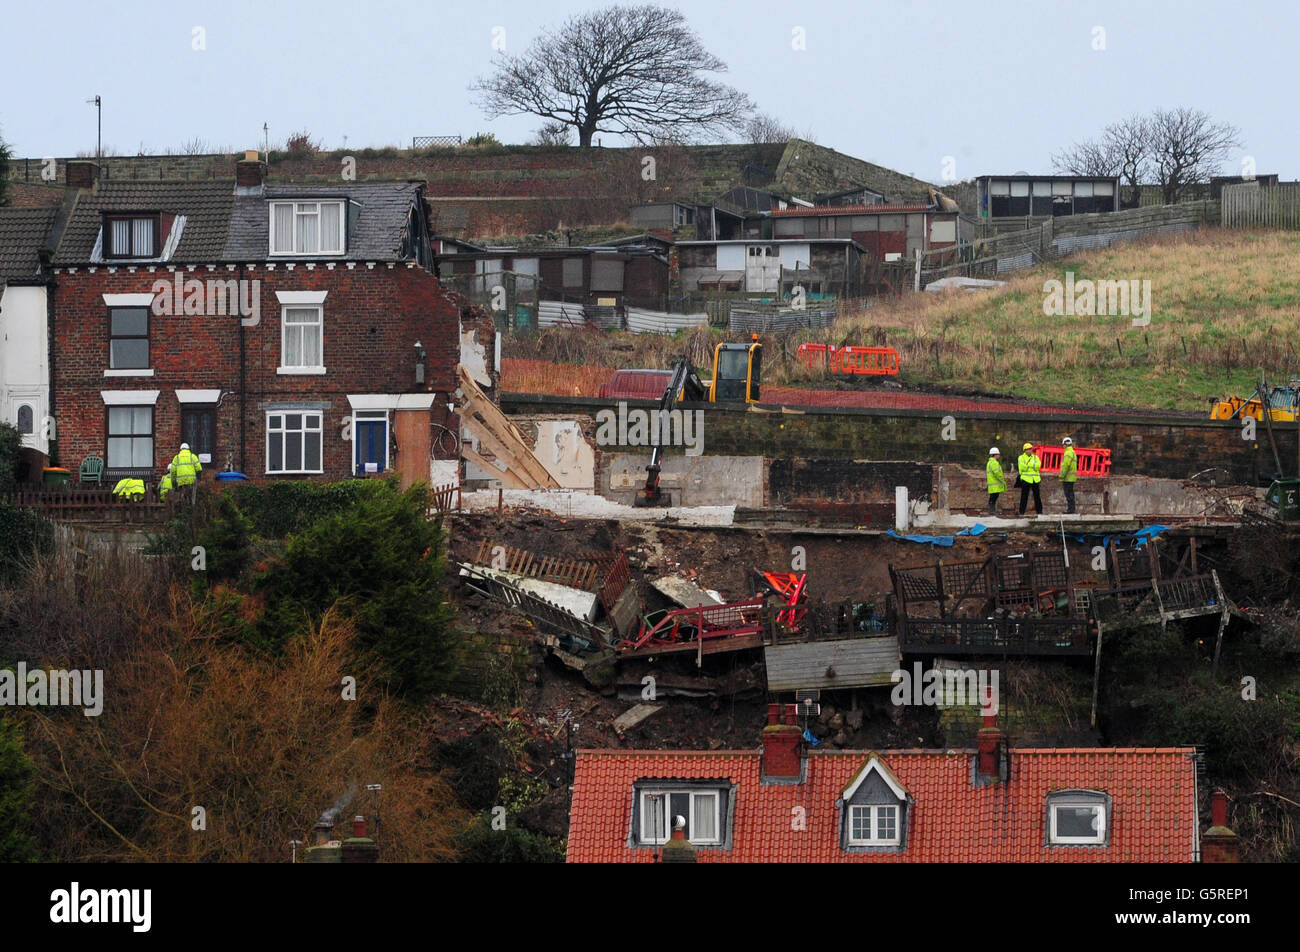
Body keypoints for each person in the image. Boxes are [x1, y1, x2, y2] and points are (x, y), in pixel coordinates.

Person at [1017, 442, 1043, 516]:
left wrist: (1028, 466)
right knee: (1024, 496)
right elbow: (1022, 467)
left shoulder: (1035, 457)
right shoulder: (1021, 457)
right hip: (1026, 479)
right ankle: (1021, 512)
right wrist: (1032, 466)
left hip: (1035, 479)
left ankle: (1040, 512)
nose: (1029, 450)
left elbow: (1038, 466)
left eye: (1030, 449)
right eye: (1027, 449)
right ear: (1024, 450)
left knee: (1037, 497)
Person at [1060, 436, 1078, 514]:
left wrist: (1061, 476)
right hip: (1072, 477)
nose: (1063, 446)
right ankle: (1071, 509)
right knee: (1071, 494)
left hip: (1067, 477)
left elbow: (1065, 465)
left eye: (1063, 444)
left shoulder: (1068, 453)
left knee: (1068, 494)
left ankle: (1070, 510)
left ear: (1066, 444)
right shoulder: (1073, 452)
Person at [985, 447, 1006, 514]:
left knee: (993, 498)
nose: (999, 455)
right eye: (998, 454)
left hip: (992, 483)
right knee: (994, 497)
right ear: (995, 455)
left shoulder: (990, 462)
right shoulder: (994, 463)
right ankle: (992, 511)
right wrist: (1002, 479)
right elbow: (997, 473)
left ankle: (992, 511)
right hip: (995, 484)